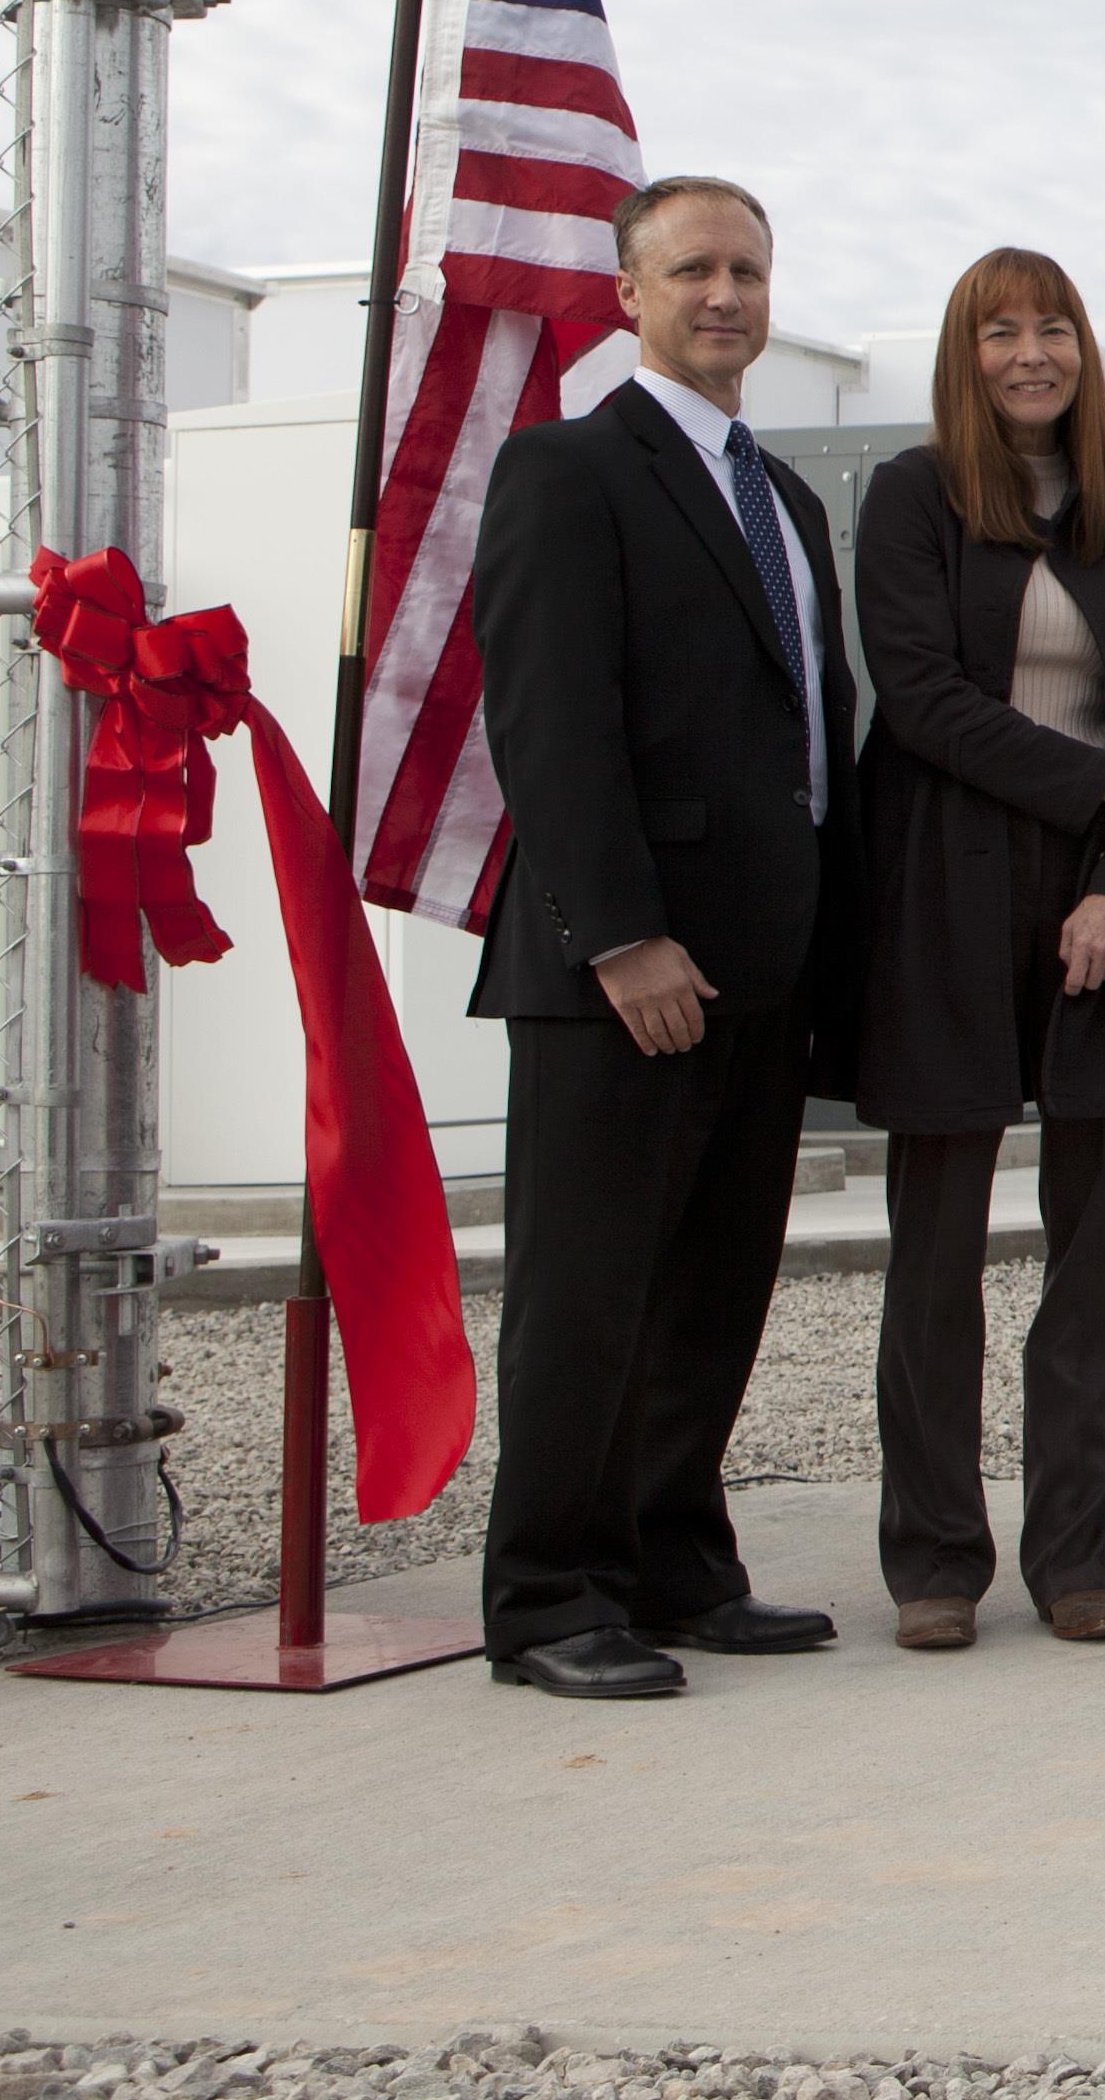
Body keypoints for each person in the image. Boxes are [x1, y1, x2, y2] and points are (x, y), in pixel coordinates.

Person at [464, 175, 862, 1698]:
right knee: (591, 1288)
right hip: (624, 974)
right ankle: (551, 1594)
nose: (725, 295)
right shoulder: (570, 472)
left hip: (761, 961)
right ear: (628, 293)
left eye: (749, 270)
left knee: (712, 1282)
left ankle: (677, 1561)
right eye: (692, 268)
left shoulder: (779, 495)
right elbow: (549, 724)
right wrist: (619, 935)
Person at [845, 247, 1105, 1652]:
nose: (1031, 351)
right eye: (1001, 330)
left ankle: (1073, 1551)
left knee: (1096, 1255)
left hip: (1102, 901)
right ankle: (936, 1556)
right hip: (944, 890)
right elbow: (921, 696)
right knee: (934, 1251)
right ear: (965, 352)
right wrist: (1104, 789)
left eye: (1053, 325)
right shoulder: (912, 497)